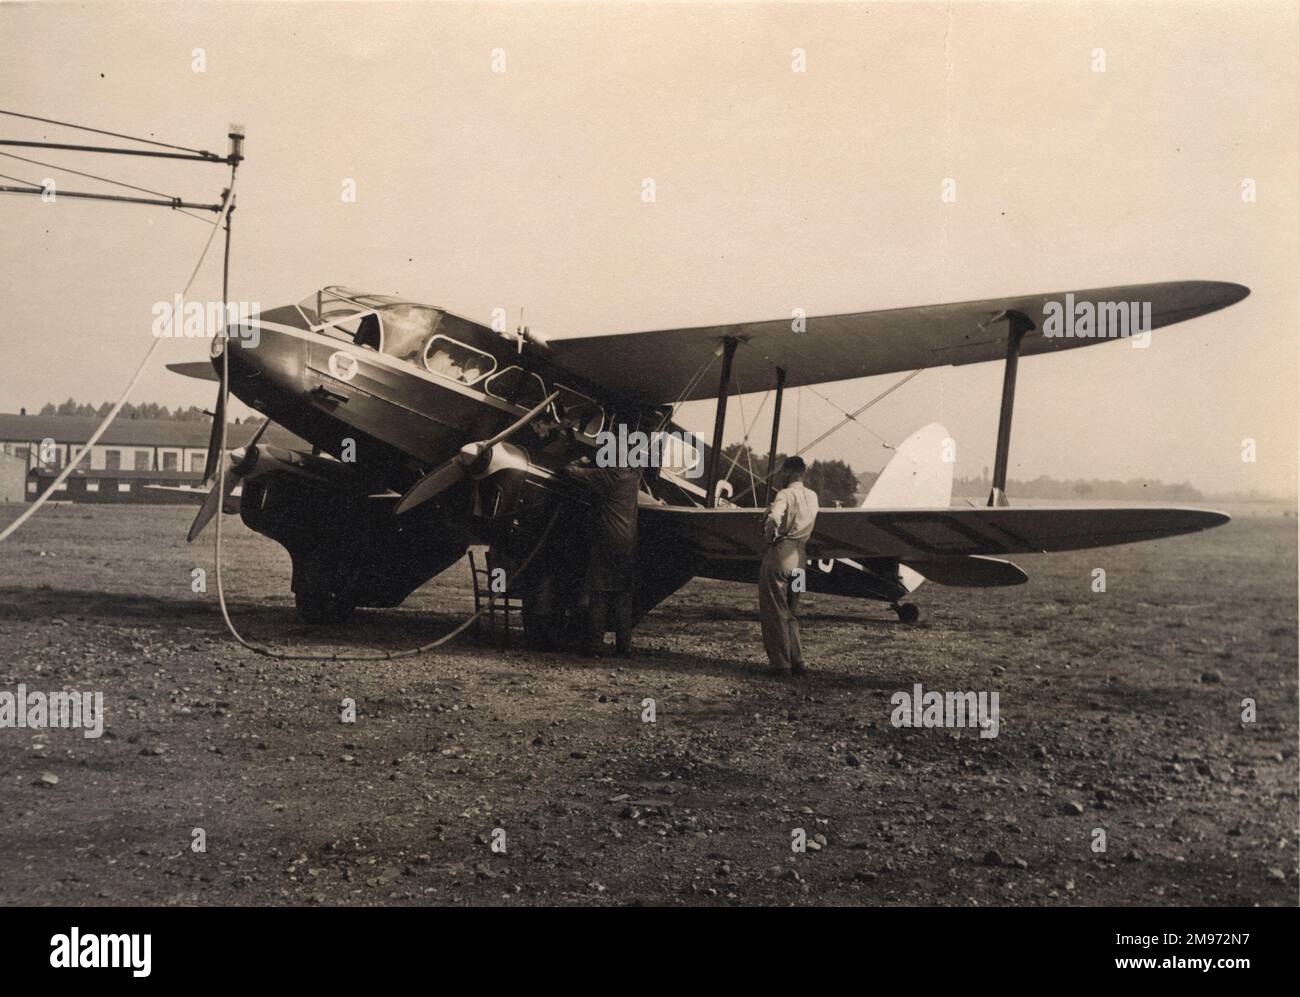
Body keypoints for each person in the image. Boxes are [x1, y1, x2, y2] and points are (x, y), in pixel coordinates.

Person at [560, 453, 640, 656]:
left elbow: (569, 471)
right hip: (628, 543)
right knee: (622, 599)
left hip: (606, 542)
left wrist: (581, 460)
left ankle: (595, 648)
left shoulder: (606, 477)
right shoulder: (633, 477)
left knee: (598, 596)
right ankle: (625, 649)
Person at [760, 456, 819, 675]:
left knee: (775, 610)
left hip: (781, 554)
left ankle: (780, 664)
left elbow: (775, 518)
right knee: (791, 611)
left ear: (788, 472)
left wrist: (770, 536)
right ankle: (798, 660)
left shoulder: (784, 494)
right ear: (803, 473)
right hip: (801, 558)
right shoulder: (812, 496)